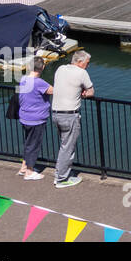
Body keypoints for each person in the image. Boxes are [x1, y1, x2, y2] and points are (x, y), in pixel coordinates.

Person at [51, 50, 94, 188]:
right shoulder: (82, 73)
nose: (87, 66)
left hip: (56, 113)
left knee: (64, 146)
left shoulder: (60, 68)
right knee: (68, 148)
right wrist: (83, 94)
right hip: (70, 115)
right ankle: (62, 179)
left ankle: (59, 174)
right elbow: (91, 92)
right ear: (80, 62)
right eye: (87, 63)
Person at [16, 58, 53, 181]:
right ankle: (29, 172)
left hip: (25, 117)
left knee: (28, 143)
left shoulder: (23, 79)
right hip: (36, 119)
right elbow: (53, 90)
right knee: (34, 145)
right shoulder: (39, 82)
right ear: (42, 68)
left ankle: (23, 167)